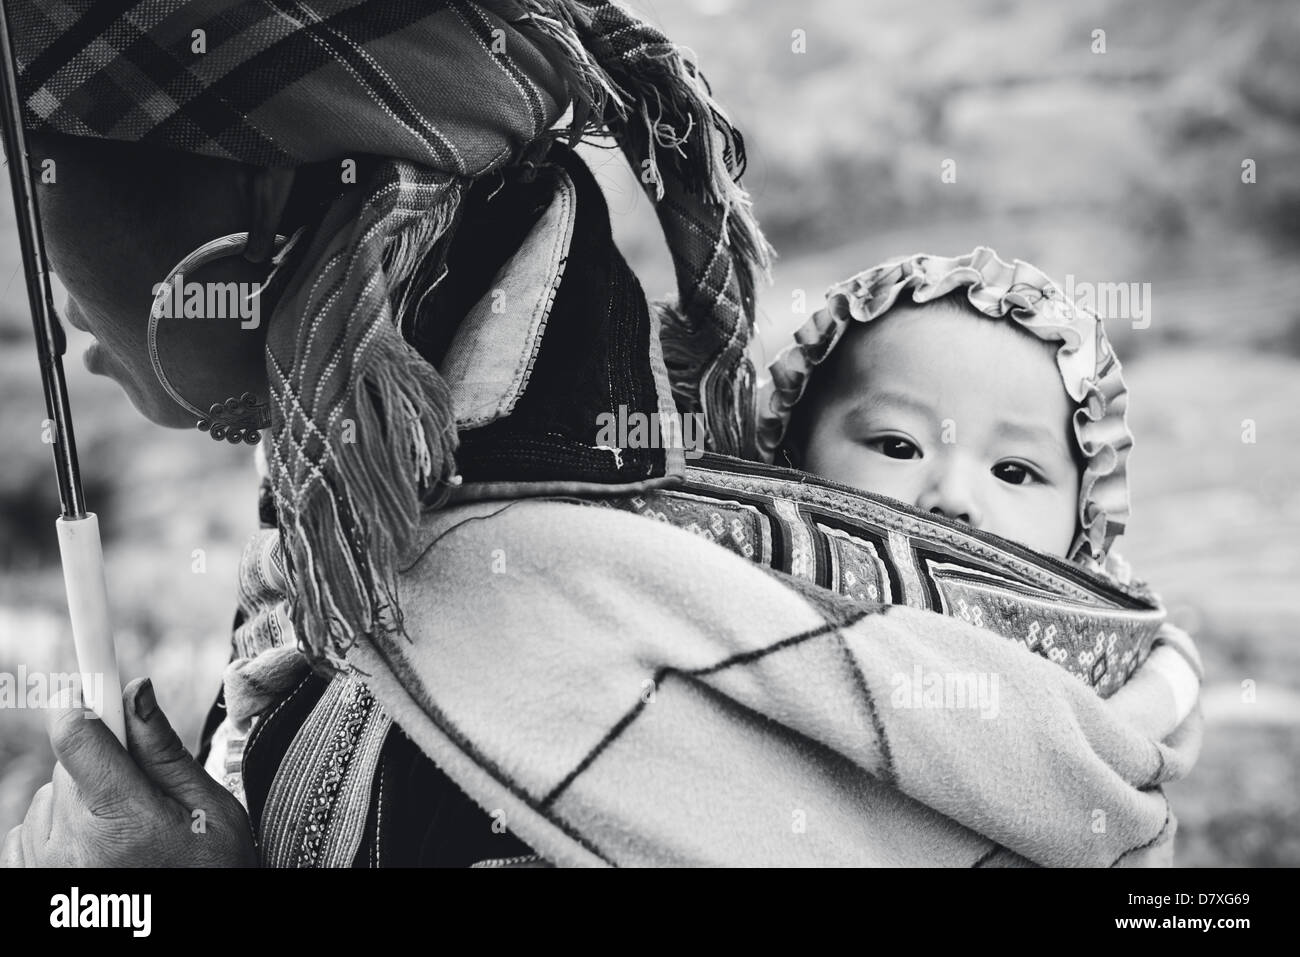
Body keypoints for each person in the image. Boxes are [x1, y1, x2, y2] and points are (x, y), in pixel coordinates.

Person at [1, 1, 1201, 868]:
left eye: (51, 184)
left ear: (257, 200)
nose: (46, 279)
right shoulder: (355, 540)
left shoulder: (566, 621)